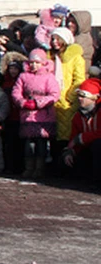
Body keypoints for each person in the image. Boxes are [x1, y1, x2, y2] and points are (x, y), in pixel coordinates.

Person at [11, 48, 60, 179]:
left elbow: (54, 95)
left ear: (43, 63)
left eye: (37, 62)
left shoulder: (49, 77)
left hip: (43, 115)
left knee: (40, 144)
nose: (34, 65)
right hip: (27, 114)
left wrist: (38, 103)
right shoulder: (23, 76)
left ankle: (40, 169)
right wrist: (22, 102)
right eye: (31, 62)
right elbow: (16, 92)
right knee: (28, 144)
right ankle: (29, 168)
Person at [48, 26, 85, 173]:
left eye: (58, 39)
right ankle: (55, 167)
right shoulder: (48, 56)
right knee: (53, 134)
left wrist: (69, 97)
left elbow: (79, 79)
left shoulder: (75, 58)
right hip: (51, 100)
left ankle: (67, 168)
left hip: (67, 101)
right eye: (52, 39)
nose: (54, 42)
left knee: (67, 135)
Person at [63, 78, 101, 186]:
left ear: (94, 98)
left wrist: (81, 138)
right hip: (87, 149)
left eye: (83, 96)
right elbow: (73, 137)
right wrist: (70, 151)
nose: (79, 99)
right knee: (65, 161)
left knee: (97, 145)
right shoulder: (78, 116)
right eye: (79, 96)